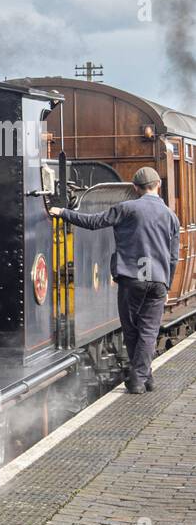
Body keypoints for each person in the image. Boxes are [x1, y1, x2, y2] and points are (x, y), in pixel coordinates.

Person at [49, 166, 180, 393]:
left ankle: (138, 380)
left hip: (132, 278)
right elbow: (173, 256)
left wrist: (63, 212)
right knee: (149, 331)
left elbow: (93, 222)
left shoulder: (127, 208)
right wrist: (167, 281)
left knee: (131, 329)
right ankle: (145, 377)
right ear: (158, 184)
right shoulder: (171, 216)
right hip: (158, 280)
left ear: (136, 188)